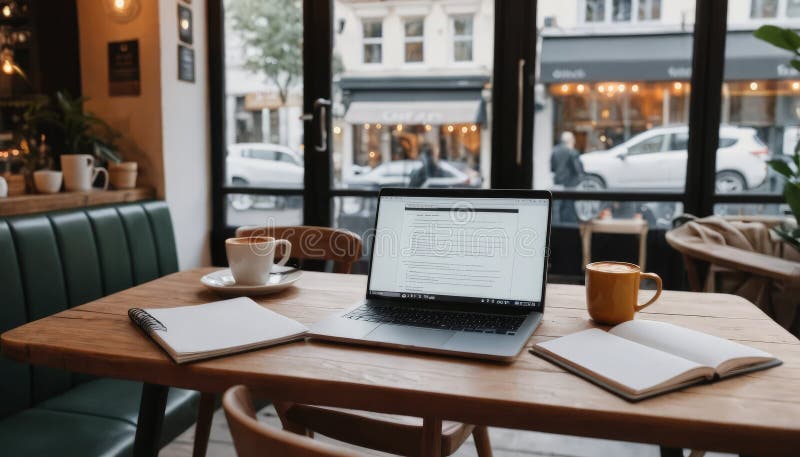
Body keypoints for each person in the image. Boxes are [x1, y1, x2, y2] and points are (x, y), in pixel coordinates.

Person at [550, 131, 585, 223]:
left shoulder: (555, 150)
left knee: (558, 209)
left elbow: (552, 168)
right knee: (569, 209)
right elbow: (578, 170)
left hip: (558, 183)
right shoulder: (573, 152)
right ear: (571, 140)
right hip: (570, 185)